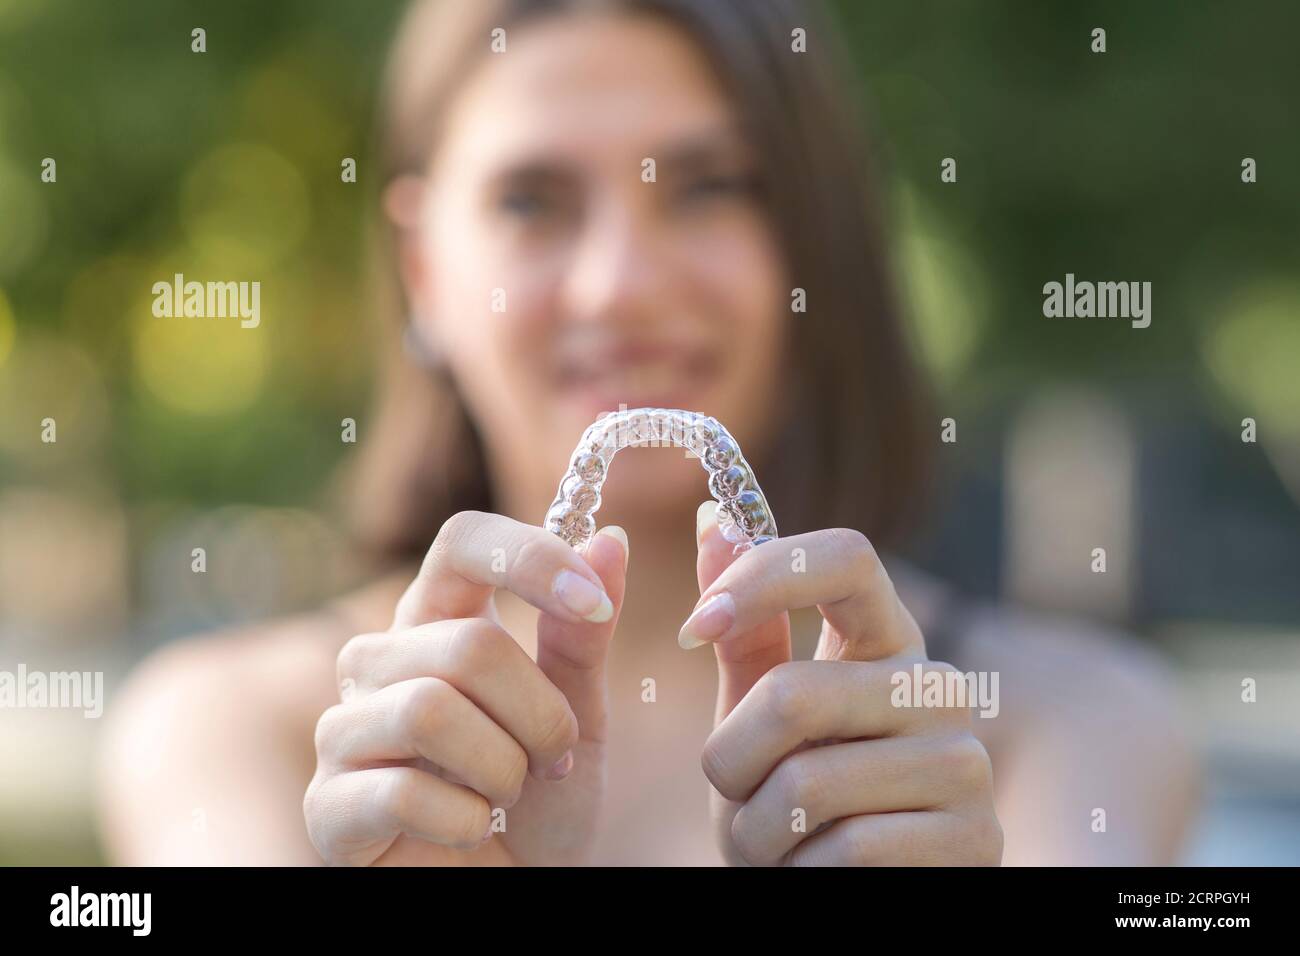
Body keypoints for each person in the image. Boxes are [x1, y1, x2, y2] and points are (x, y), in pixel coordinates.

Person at [95, 0, 1199, 866]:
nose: (620, 285)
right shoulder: (228, 727)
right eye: (534, 200)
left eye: (711, 187)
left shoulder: (1075, 722)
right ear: (424, 270)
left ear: (810, 251)